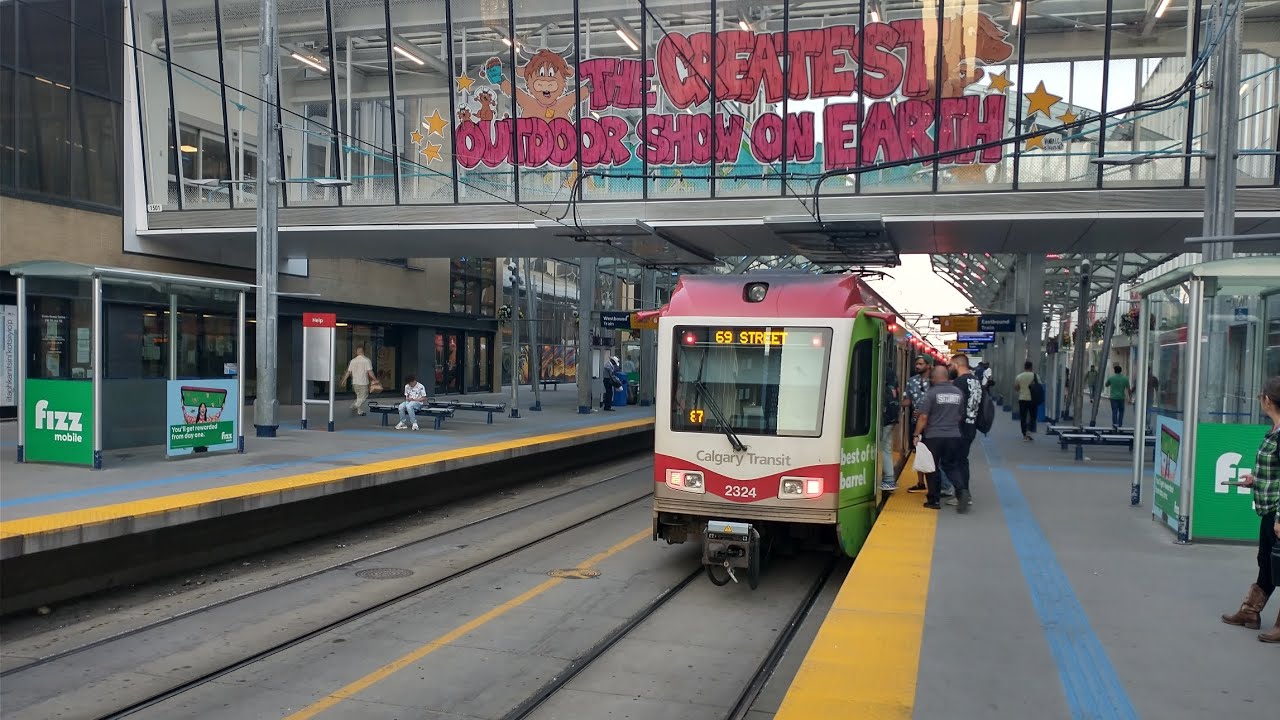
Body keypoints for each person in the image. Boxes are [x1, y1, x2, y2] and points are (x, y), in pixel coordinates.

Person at [1220, 376, 1280, 643]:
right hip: (1269, 509)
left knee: (1277, 563)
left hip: (1277, 512)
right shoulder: (1274, 431)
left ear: (1267, 400)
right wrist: (1255, 479)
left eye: (1260, 396)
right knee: (1266, 561)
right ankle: (1250, 612)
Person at [915, 365, 969, 513]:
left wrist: (916, 434)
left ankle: (934, 500)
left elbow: (923, 417)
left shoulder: (931, 394)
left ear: (935, 378)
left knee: (932, 468)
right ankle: (962, 490)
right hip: (953, 435)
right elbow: (960, 415)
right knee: (950, 465)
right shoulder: (958, 393)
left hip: (934, 436)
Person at [950, 353, 982, 507]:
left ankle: (962, 493)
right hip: (971, 425)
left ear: (956, 365)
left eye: (951, 365)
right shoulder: (976, 381)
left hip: (959, 428)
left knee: (953, 461)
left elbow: (955, 406)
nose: (950, 368)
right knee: (962, 460)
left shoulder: (959, 382)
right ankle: (964, 493)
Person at [901, 356, 932, 494]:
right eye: (916, 364)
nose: (917, 366)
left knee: (932, 453)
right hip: (916, 421)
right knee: (919, 452)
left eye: (920, 364)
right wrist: (896, 404)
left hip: (932, 423)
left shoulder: (935, 380)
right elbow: (908, 400)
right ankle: (920, 483)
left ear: (928, 365)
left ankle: (934, 483)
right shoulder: (911, 381)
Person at [341, 345, 377, 416]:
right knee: (364, 396)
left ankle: (360, 411)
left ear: (357, 352)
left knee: (359, 396)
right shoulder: (366, 360)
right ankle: (354, 406)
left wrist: (344, 380)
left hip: (355, 382)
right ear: (363, 351)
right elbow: (370, 372)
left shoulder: (353, 361)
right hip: (363, 382)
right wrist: (375, 379)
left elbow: (348, 372)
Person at [1013, 360, 1037, 441]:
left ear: (1024, 367)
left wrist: (1022, 389)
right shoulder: (1035, 376)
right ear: (1031, 367)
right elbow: (1039, 386)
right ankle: (1029, 432)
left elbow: (1016, 388)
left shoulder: (1019, 376)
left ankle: (1024, 435)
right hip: (1032, 399)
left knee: (1023, 417)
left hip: (1022, 398)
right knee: (1033, 417)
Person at [1105, 364, 1130, 428]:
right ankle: (1120, 424)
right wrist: (1130, 397)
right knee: (1121, 411)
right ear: (1121, 371)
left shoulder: (1111, 378)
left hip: (1113, 398)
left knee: (1114, 411)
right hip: (1121, 398)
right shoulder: (1125, 379)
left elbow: (1106, 385)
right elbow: (1128, 389)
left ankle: (1115, 425)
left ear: (1114, 371)